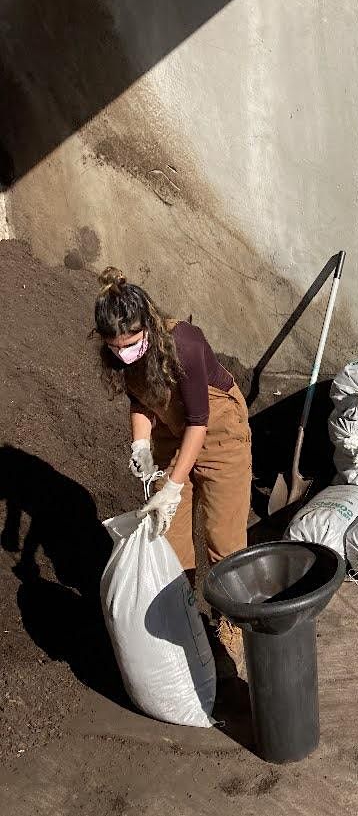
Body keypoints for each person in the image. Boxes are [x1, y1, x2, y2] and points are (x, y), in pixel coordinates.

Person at [93, 266, 251, 676]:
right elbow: (142, 401)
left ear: (146, 326)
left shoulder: (185, 343)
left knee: (223, 535)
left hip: (217, 430)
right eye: (115, 347)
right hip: (167, 429)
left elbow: (198, 420)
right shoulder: (122, 357)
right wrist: (140, 444)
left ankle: (231, 627)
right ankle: (184, 619)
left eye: (130, 344)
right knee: (167, 534)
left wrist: (174, 485)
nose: (124, 352)